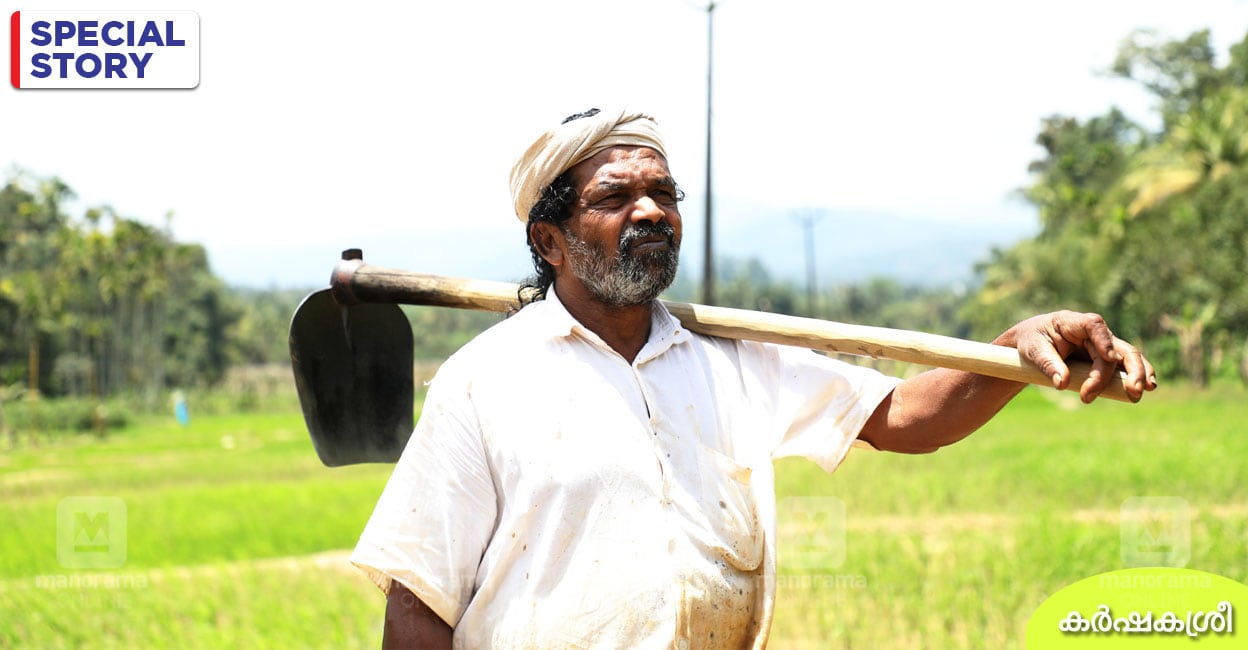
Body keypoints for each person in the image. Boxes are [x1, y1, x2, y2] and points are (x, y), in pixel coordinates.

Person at [350, 108, 1156, 649]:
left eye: (663, 193)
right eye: (616, 196)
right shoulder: (484, 384)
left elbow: (908, 417)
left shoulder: (731, 357)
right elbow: (419, 603)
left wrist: (1017, 345)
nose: (651, 211)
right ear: (550, 241)